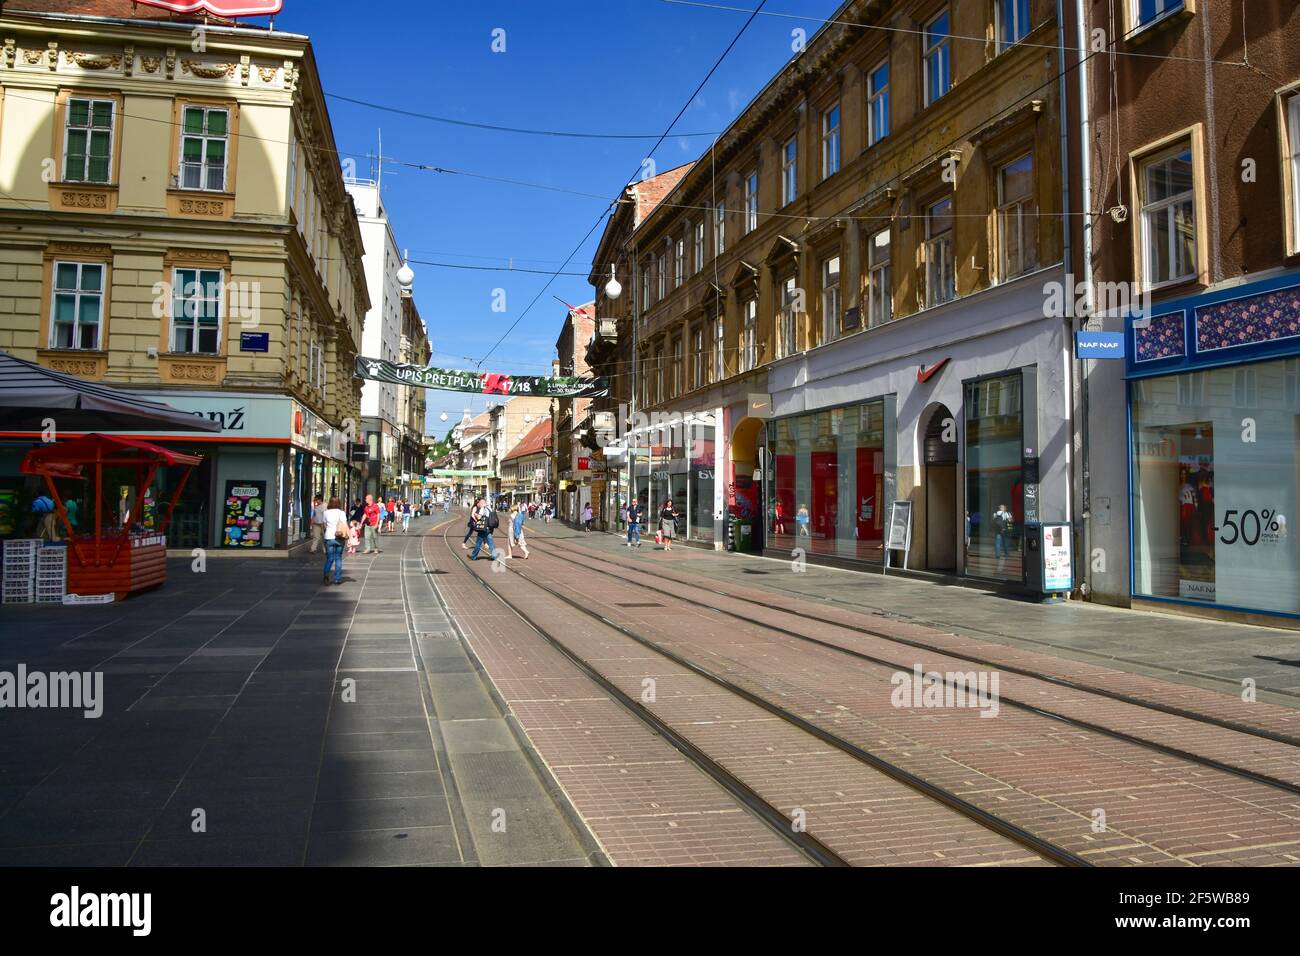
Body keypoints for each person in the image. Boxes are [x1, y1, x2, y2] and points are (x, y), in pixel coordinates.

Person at [322, 497, 349, 586]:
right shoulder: (341, 513)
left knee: (329, 558)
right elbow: (345, 525)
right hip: (339, 537)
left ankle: (326, 577)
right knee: (338, 558)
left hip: (329, 537)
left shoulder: (326, 513)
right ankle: (337, 578)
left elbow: (324, 525)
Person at [992, 502, 1013, 570]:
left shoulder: (995, 514)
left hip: (997, 530)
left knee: (997, 543)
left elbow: (993, 521)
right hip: (1005, 530)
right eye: (1004, 507)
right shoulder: (1006, 513)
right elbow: (1010, 521)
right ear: (1003, 508)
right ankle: (1006, 553)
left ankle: (997, 555)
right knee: (1005, 542)